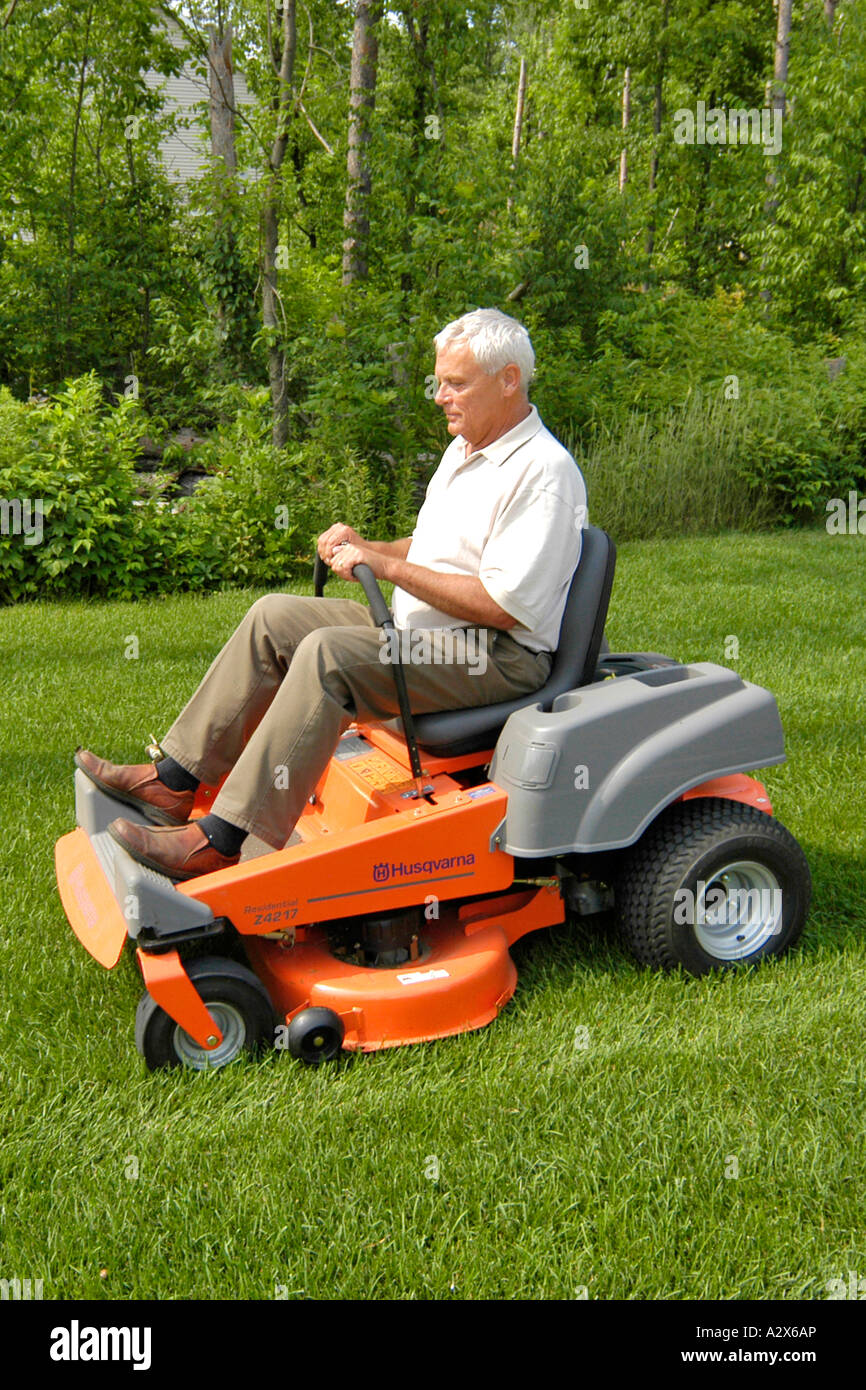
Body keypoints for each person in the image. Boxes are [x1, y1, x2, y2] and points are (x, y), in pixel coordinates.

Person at [75, 308, 588, 880]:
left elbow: (502, 605)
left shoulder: (543, 474)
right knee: (275, 616)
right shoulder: (465, 449)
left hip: (493, 655)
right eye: (440, 381)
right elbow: (435, 549)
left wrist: (386, 569)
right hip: (425, 631)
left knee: (328, 656)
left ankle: (220, 840)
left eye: (456, 383)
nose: (439, 395)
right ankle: (173, 780)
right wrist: (370, 547)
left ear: (509, 379)